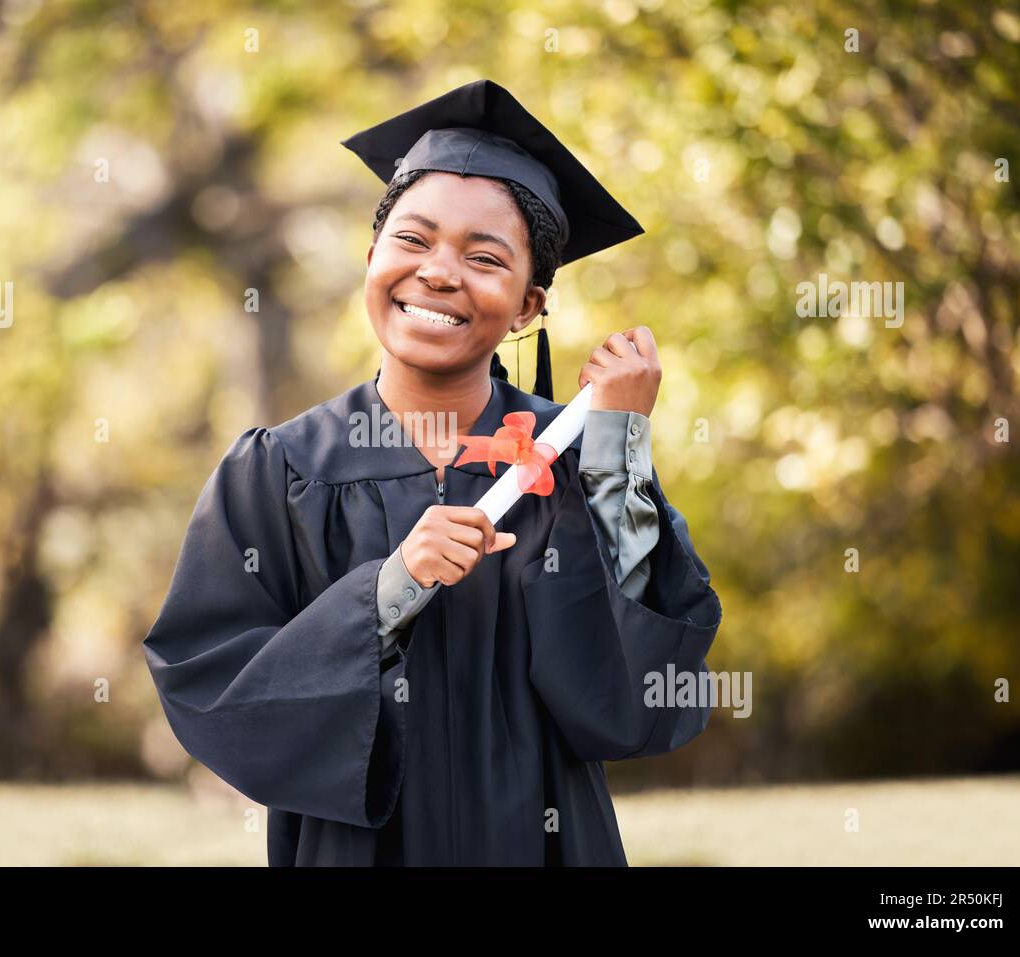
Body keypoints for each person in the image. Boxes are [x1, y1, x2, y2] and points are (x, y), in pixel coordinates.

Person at [143, 79, 723, 865]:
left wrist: (620, 445)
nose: (440, 273)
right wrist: (385, 593)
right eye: (412, 241)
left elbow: (635, 698)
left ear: (528, 306)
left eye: (485, 257)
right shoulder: (277, 471)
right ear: (372, 258)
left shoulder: (581, 453)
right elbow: (212, 687)